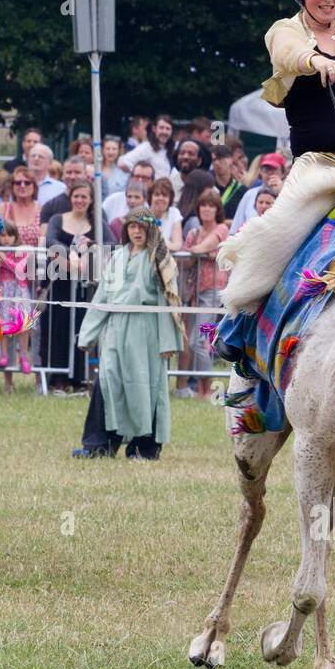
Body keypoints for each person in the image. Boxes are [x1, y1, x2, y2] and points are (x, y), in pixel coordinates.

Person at [73, 207, 185, 459]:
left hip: (146, 330)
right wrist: (87, 334)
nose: (137, 231)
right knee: (108, 382)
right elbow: (103, 296)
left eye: (141, 227)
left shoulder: (160, 260)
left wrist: (168, 341)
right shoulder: (118, 256)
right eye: (132, 226)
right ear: (126, 229)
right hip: (116, 328)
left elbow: (168, 302)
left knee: (145, 387)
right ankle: (99, 445)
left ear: (150, 229)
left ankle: (144, 448)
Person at [42, 180, 106, 391]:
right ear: (71, 197)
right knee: (58, 328)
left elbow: (112, 244)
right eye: (76, 196)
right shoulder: (57, 219)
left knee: (83, 328)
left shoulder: (97, 223)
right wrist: (66, 253)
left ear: (90, 200)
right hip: (60, 283)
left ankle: (81, 379)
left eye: (84, 197)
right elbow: (49, 240)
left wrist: (92, 250)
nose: (80, 200)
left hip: (85, 287)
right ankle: (57, 379)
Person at [181, 189, 230, 399]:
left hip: (212, 289)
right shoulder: (193, 232)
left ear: (217, 209)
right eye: (203, 205)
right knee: (194, 340)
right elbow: (184, 258)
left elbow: (201, 248)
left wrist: (199, 250)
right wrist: (199, 252)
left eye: (211, 205)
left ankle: (207, 389)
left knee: (199, 341)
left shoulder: (221, 228)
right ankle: (201, 389)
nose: (207, 209)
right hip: (194, 289)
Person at [0, 220, 34, 386]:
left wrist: (5, 260)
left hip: (19, 290)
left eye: (9, 235)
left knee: (24, 324)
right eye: (2, 235)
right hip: (3, 291)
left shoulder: (21, 251)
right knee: (4, 323)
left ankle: (23, 355)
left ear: (16, 237)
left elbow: (20, 270)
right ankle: (4, 354)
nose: (6, 239)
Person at [228, 152, 287, 233]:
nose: (269, 173)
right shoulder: (250, 194)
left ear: (283, 173)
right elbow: (235, 229)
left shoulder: (288, 195)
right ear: (260, 172)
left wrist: (282, 193)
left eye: (273, 169)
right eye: (265, 169)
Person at [118, 114, 175, 178]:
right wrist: (142, 177)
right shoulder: (146, 147)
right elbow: (122, 163)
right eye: (161, 128)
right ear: (154, 129)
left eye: (168, 129)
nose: (164, 131)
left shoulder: (168, 150)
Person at [38, 156, 88, 226]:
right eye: (69, 172)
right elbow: (42, 236)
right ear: (63, 174)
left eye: (77, 172)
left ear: (85, 174)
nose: (72, 177)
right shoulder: (50, 207)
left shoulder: (94, 207)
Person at [147, 178, 183, 253]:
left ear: (170, 199)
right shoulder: (142, 213)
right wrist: (166, 244)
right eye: (157, 194)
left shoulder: (174, 212)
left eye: (165, 195)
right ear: (151, 197)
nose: (160, 198)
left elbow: (177, 245)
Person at [209, 144, 245, 219]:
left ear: (231, 160)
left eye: (220, 158)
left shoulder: (241, 190)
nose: (217, 163)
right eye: (214, 160)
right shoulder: (207, 187)